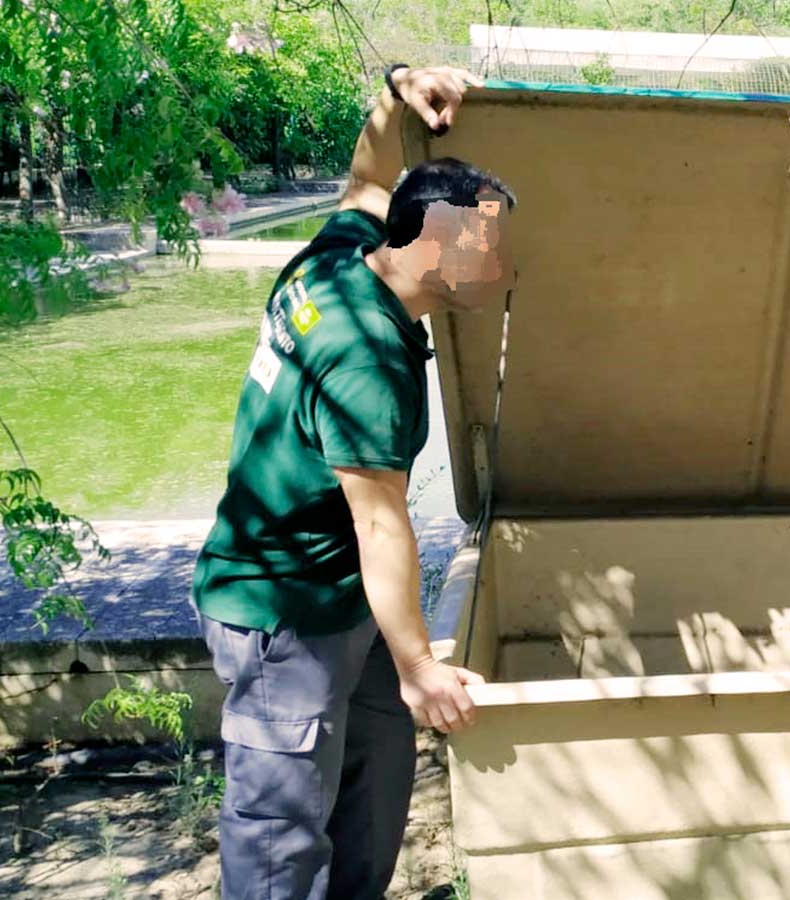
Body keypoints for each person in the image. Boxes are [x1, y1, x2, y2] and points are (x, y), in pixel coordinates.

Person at [190, 63, 515, 899]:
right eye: (491, 248)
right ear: (435, 248)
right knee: (281, 829)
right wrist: (418, 665)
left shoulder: (341, 253)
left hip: (343, 602)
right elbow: (381, 524)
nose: (504, 266)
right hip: (283, 610)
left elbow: (370, 179)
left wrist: (394, 92)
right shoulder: (367, 359)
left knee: (374, 782)